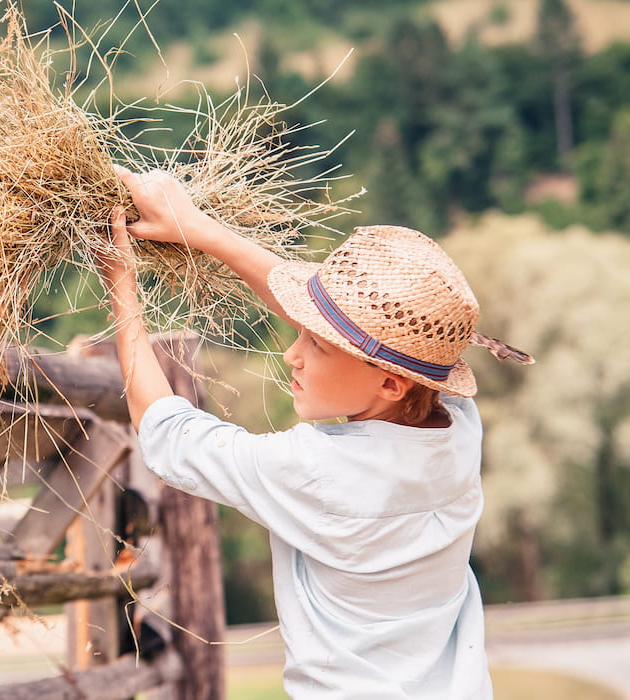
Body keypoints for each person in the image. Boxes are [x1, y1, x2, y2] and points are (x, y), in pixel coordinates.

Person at [99, 166, 512, 699]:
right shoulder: (457, 428)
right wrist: (196, 228)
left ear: (388, 381)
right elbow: (345, 333)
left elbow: (167, 430)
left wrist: (121, 287)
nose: (292, 353)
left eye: (317, 345)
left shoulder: (316, 471)